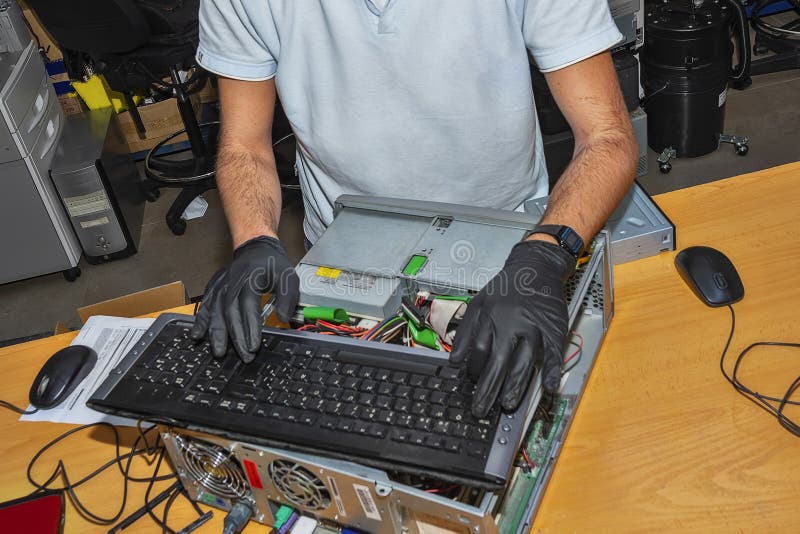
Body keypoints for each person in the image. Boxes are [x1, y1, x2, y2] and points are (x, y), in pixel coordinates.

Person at [190, 1, 638, 418]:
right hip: (340, 257)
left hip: (511, 253)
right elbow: (245, 146)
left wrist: (545, 253)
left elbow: (606, 137)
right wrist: (254, 239)